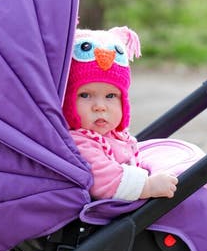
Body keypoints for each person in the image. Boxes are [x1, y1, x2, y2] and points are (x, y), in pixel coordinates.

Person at [62, 26, 178, 201]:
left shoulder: (113, 136)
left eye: (110, 96)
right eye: (85, 95)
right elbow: (105, 182)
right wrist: (147, 186)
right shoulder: (80, 143)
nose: (100, 107)